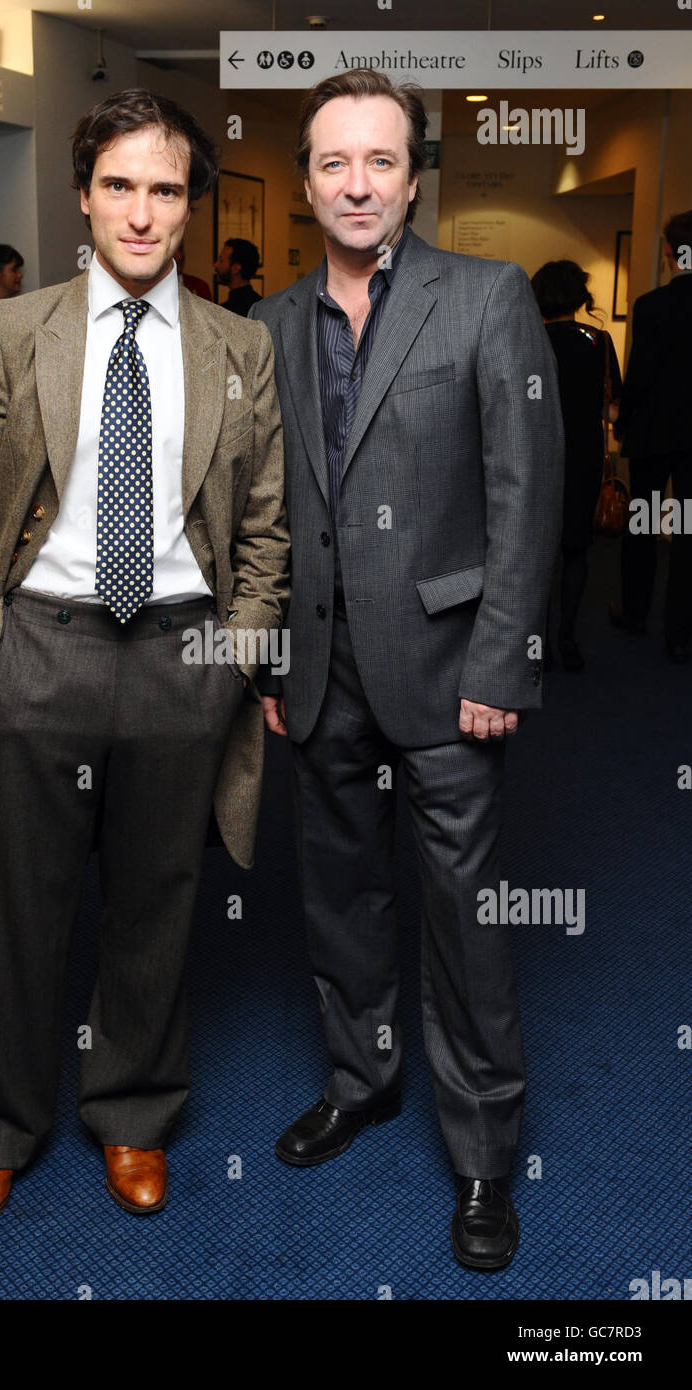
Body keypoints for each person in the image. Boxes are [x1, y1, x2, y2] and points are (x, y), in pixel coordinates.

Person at [0, 87, 289, 1232]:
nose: (140, 213)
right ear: (82, 197)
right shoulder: (15, 329)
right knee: (23, 907)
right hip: (44, 649)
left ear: (192, 205)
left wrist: (228, 663)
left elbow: (266, 535)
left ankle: (132, 1112)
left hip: (182, 656)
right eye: (118, 186)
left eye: (165, 189)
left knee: (155, 901)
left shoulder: (240, 346)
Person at [249, 69, 563, 1271]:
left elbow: (523, 497)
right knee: (337, 903)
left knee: (466, 924)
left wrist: (501, 662)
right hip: (318, 673)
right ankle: (360, 1078)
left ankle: (483, 1153)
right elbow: (266, 514)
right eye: (334, 162)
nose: (357, 183)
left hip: (447, 675)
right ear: (305, 181)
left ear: (413, 175)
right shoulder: (272, 324)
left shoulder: (484, 299)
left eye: (379, 160)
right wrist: (273, 658)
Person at [531, 260, 622, 672]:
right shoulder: (599, 341)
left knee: (536, 555)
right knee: (576, 549)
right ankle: (567, 639)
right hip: (582, 453)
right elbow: (613, 411)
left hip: (535, 454)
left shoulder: (527, 339)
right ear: (580, 297)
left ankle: (539, 647)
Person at [611, 210, 692, 663]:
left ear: (668, 252)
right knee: (689, 534)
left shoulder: (651, 306)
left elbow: (640, 376)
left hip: (654, 434)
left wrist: (623, 423)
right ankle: (680, 632)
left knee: (641, 527)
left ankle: (636, 612)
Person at [214, 238, 262, 316]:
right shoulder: (261, 305)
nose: (216, 265)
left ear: (236, 268)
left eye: (221, 261)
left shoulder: (226, 312)